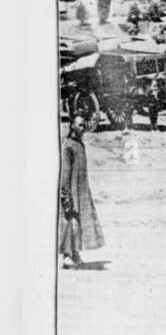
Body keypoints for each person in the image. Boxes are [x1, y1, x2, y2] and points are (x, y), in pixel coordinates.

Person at [59, 113, 105, 269]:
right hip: (71, 189)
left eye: (83, 125)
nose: (82, 127)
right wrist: (65, 194)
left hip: (82, 189)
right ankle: (66, 255)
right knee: (70, 221)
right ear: (72, 126)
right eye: (79, 125)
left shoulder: (80, 144)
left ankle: (75, 252)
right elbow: (65, 172)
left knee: (80, 221)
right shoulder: (68, 145)